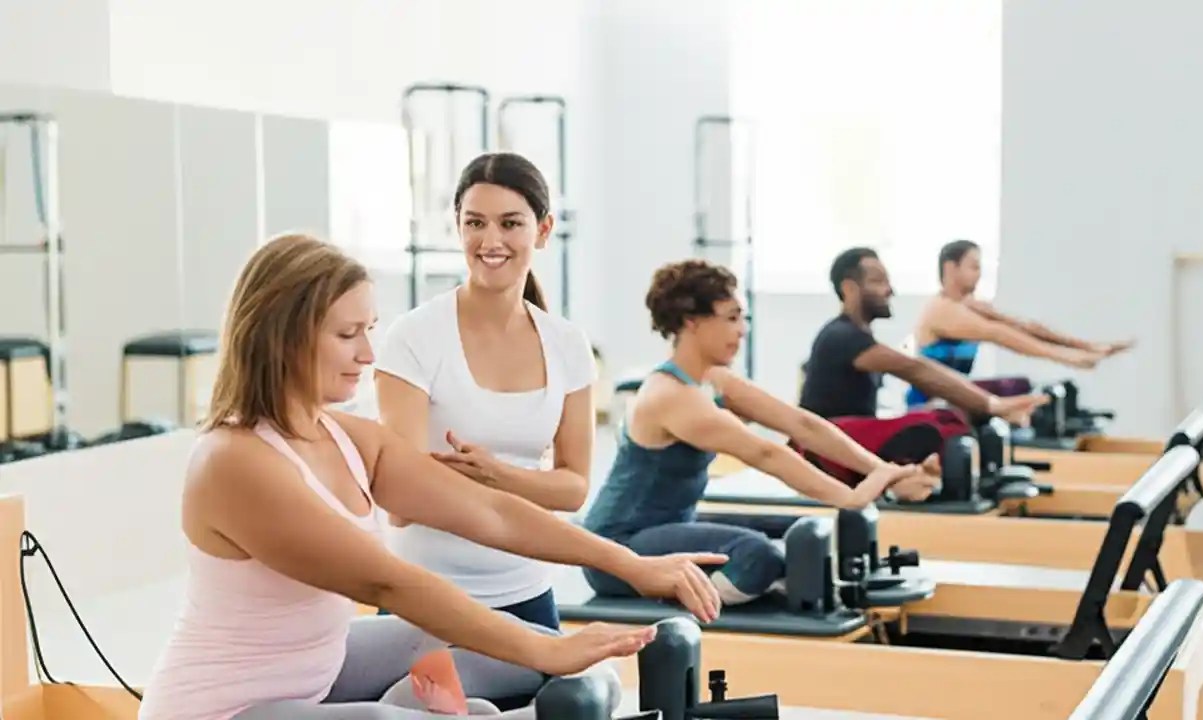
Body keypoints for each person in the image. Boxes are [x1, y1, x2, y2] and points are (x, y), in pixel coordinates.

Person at [137, 234, 726, 720]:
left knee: (530, 659)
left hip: (317, 670)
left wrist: (633, 566)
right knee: (401, 715)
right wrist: (553, 646)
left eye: (370, 329)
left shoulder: (347, 437)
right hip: (222, 709)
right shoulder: (235, 461)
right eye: (347, 335)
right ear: (281, 336)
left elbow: (492, 512)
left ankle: (450, 708)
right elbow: (388, 585)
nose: (369, 354)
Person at [581, 259, 936, 607]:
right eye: (732, 318)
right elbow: (766, 454)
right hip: (619, 553)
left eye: (744, 318)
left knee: (803, 530)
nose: (742, 330)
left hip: (666, 529)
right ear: (692, 322)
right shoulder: (671, 396)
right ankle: (760, 586)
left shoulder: (713, 379)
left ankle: (773, 581)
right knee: (755, 556)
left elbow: (802, 424)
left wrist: (881, 471)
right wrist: (852, 497)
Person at [375, 153, 591, 633]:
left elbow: (574, 488)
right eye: (475, 222)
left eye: (510, 223)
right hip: (424, 594)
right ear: (457, 228)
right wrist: (518, 484)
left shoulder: (568, 345)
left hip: (526, 592)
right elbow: (401, 501)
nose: (491, 241)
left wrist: (495, 474)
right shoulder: (414, 336)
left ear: (543, 229)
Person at [799, 247, 1049, 424]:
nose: (890, 290)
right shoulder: (841, 337)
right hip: (828, 450)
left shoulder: (854, 336)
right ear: (849, 288)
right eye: (878, 281)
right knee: (939, 424)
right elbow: (914, 369)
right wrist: (991, 405)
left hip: (852, 438)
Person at [906, 239, 1133, 406]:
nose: (979, 274)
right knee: (1012, 389)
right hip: (927, 405)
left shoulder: (971, 305)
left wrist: (1087, 346)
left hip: (953, 398)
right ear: (950, 268)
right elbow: (997, 333)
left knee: (1020, 384)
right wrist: (1068, 358)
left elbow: (1023, 326)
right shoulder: (940, 309)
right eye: (974, 267)